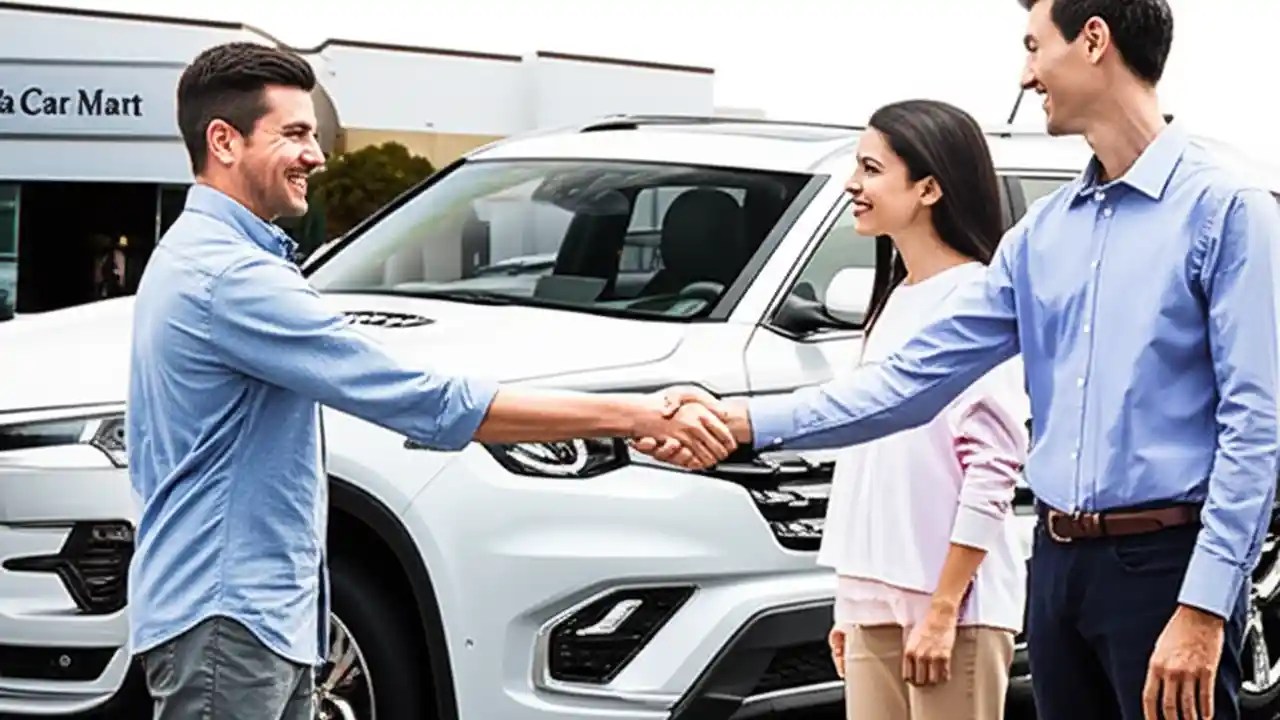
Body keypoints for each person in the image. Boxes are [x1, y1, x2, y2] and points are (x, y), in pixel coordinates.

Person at [642, 1, 1280, 718]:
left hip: (1168, 568)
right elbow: (905, 384)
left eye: (1035, 46)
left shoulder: (1227, 212)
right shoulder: (1044, 236)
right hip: (1059, 564)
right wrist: (738, 421)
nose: (1026, 72)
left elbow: (1256, 427)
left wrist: (1206, 604)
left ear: (1094, 40)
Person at [126, 42, 734, 720]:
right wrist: (634, 417)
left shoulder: (208, 258)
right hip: (229, 619)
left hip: (249, 614)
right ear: (224, 141)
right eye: (294, 133)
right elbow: (430, 402)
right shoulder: (232, 279)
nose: (317, 155)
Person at [814, 99, 1030, 720]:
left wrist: (943, 608)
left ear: (929, 187)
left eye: (871, 168)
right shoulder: (892, 303)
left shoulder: (976, 302)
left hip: (952, 609)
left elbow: (993, 466)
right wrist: (848, 603)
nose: (853, 184)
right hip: (873, 600)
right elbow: (870, 460)